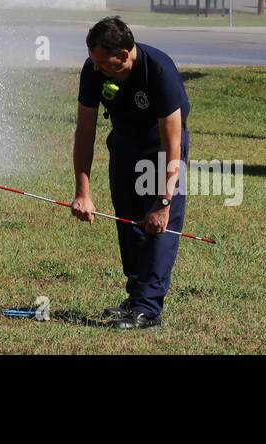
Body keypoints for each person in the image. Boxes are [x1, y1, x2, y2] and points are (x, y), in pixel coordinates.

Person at [70, 16, 190, 330]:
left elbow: (172, 143)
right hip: (124, 146)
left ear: (124, 55)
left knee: (156, 226)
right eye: (92, 61)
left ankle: (148, 310)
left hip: (161, 152)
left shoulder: (159, 71)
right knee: (129, 223)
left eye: (102, 63)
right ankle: (136, 298)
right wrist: (83, 191)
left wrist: (164, 202)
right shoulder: (93, 70)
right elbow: (84, 133)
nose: (96, 69)